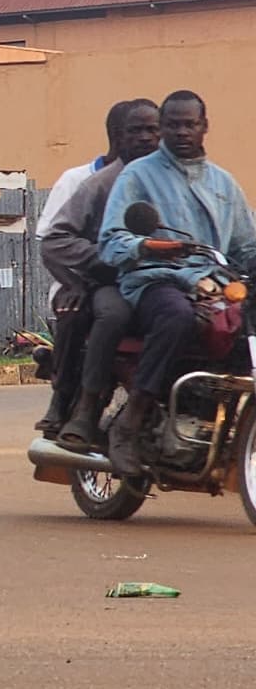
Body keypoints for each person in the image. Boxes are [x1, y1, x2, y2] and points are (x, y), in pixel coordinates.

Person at [96, 90, 256, 477]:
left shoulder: (223, 183)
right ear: (162, 128)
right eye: (173, 124)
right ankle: (130, 424)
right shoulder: (138, 175)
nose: (182, 131)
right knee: (176, 316)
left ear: (204, 126)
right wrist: (149, 245)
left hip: (214, 283)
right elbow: (111, 240)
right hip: (155, 279)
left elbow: (246, 243)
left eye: (190, 124)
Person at [38, 99, 160, 447]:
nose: (146, 137)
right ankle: (70, 402)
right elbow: (52, 241)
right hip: (88, 278)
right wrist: (84, 275)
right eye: (136, 130)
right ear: (117, 136)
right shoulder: (88, 181)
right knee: (86, 312)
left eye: (153, 129)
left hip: (157, 280)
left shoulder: (176, 180)